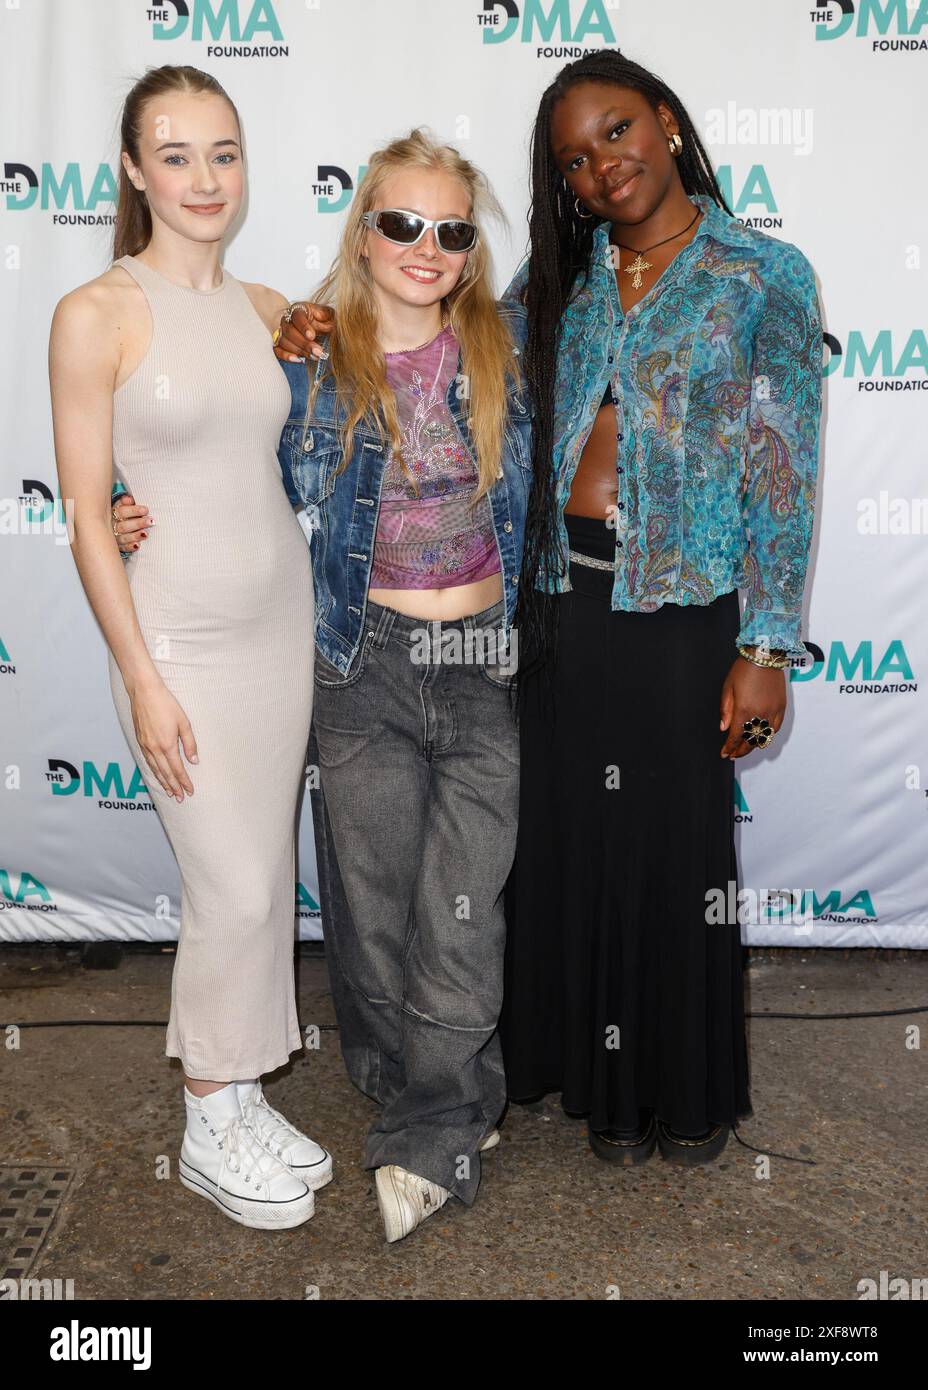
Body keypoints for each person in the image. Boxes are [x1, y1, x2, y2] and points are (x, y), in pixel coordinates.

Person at [275, 47, 822, 1170]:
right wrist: (308, 327)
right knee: (563, 848)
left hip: (679, 611)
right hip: (550, 604)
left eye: (616, 133)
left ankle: (671, 1094)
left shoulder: (763, 275)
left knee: (674, 853)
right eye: (574, 159)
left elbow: (783, 470)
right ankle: (571, 1072)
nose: (601, 168)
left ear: (665, 123)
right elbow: (422, 331)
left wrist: (766, 646)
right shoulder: (552, 286)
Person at [119, 127, 532, 1242]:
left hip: (484, 664)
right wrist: (122, 502)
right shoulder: (295, 352)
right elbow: (189, 427)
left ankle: (431, 1124)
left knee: (461, 912)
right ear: (364, 229)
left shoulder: (510, 345)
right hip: (358, 666)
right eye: (401, 222)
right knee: (376, 910)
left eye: (450, 229)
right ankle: (413, 1085)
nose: (426, 247)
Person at [49, 64, 330, 1231]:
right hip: (178, 642)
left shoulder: (270, 307)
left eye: (223, 153)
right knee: (230, 885)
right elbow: (82, 514)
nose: (204, 178)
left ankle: (245, 1081)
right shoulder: (95, 312)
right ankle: (208, 1116)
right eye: (175, 155)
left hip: (280, 630)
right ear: (131, 169)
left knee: (263, 881)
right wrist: (143, 678)